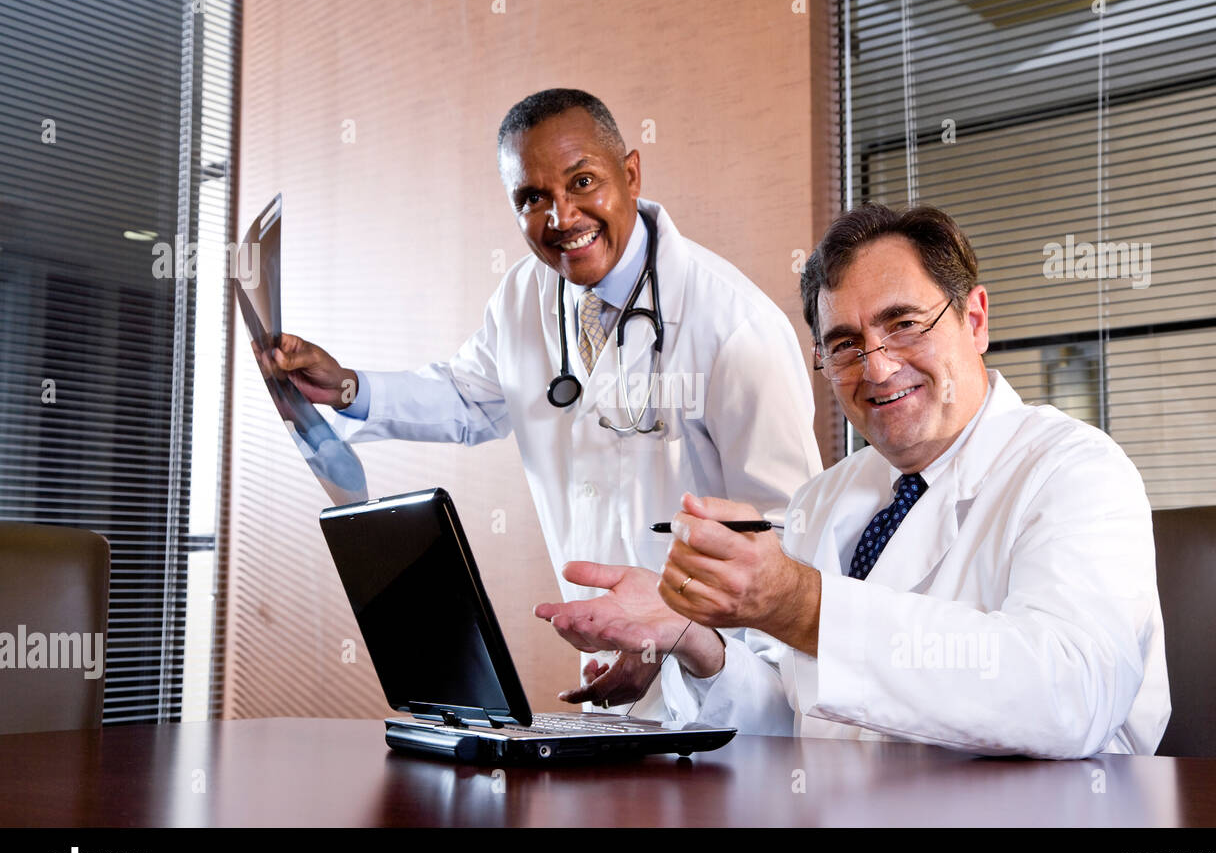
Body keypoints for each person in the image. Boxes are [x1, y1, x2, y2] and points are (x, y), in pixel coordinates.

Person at [535, 202, 1171, 758]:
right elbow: (796, 722)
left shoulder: (1077, 471)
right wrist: (698, 645)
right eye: (843, 344)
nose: (878, 366)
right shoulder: (826, 498)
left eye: (903, 324)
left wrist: (801, 605)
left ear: (974, 320)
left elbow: (1070, 696)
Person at [262, 89, 823, 717]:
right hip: (614, 689)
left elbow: (787, 537)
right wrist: (344, 388)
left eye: (583, 181)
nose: (561, 216)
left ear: (631, 173)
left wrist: (679, 638)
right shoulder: (526, 294)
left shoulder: (734, 326)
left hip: (736, 691)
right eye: (532, 198)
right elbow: (465, 396)